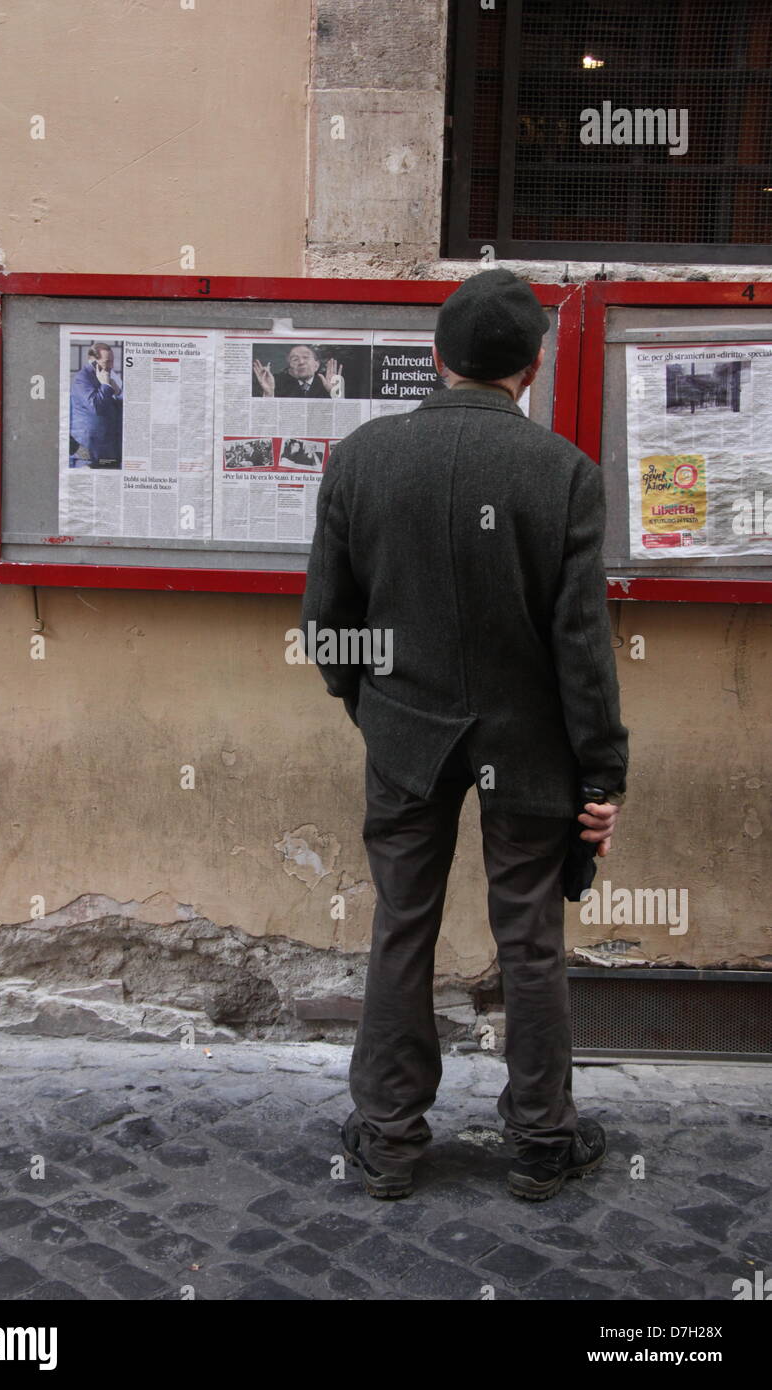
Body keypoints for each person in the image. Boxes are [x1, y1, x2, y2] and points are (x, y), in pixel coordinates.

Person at [301, 268, 629, 1203]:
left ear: (436, 358)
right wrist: (600, 774)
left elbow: (328, 626)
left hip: (406, 735)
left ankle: (392, 1138)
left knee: (401, 924)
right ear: (532, 367)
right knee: (531, 939)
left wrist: (374, 704)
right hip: (529, 746)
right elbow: (582, 652)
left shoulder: (362, 459)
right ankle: (540, 1141)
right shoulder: (564, 476)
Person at [69, 342, 123, 468]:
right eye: (107, 362)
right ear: (93, 361)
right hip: (90, 453)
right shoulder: (82, 379)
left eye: (112, 361)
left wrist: (118, 392)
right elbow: (96, 406)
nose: (111, 366)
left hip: (109, 451)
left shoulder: (108, 378)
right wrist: (105, 386)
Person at [253, 344, 344, 398]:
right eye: (295, 359)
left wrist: (334, 393)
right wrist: (269, 394)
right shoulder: (278, 385)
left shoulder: (328, 385)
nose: (301, 362)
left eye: (306, 357)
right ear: (290, 367)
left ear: (316, 365)